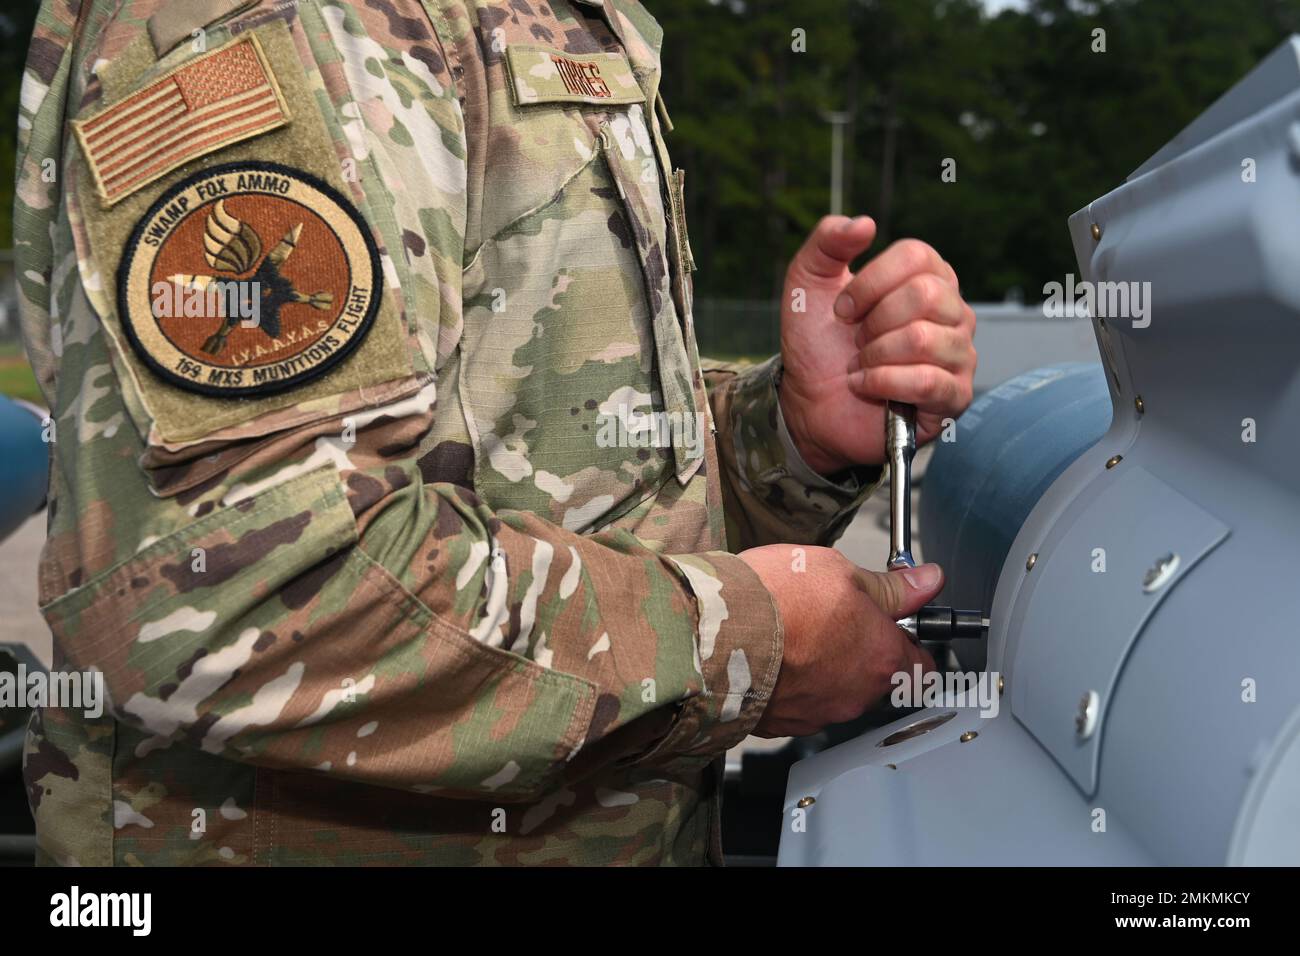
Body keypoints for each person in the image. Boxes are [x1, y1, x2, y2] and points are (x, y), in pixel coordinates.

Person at [15, 0, 976, 865]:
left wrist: (792, 439)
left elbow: (561, 477)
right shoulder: (300, 23)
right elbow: (242, 586)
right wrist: (739, 642)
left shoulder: (560, 21)